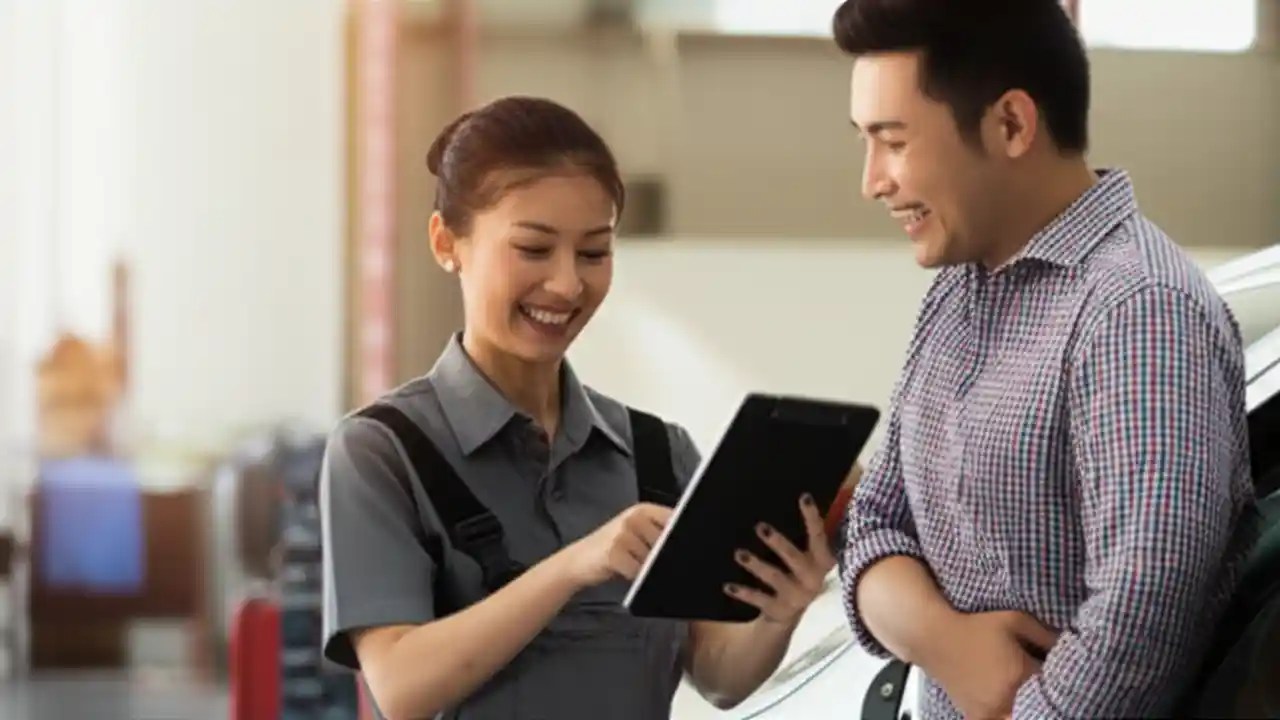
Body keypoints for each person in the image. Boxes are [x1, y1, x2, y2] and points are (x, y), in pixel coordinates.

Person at [319, 95, 836, 720]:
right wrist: (574, 566)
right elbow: (400, 686)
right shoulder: (382, 452)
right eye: (534, 249)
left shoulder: (658, 454)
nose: (567, 284)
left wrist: (782, 610)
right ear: (446, 242)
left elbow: (717, 676)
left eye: (593, 253)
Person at [830, 0, 1258, 718]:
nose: (872, 180)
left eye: (894, 142)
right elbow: (873, 524)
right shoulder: (957, 293)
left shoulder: (1139, 311)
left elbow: (1136, 629)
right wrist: (949, 644)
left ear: (1011, 124)